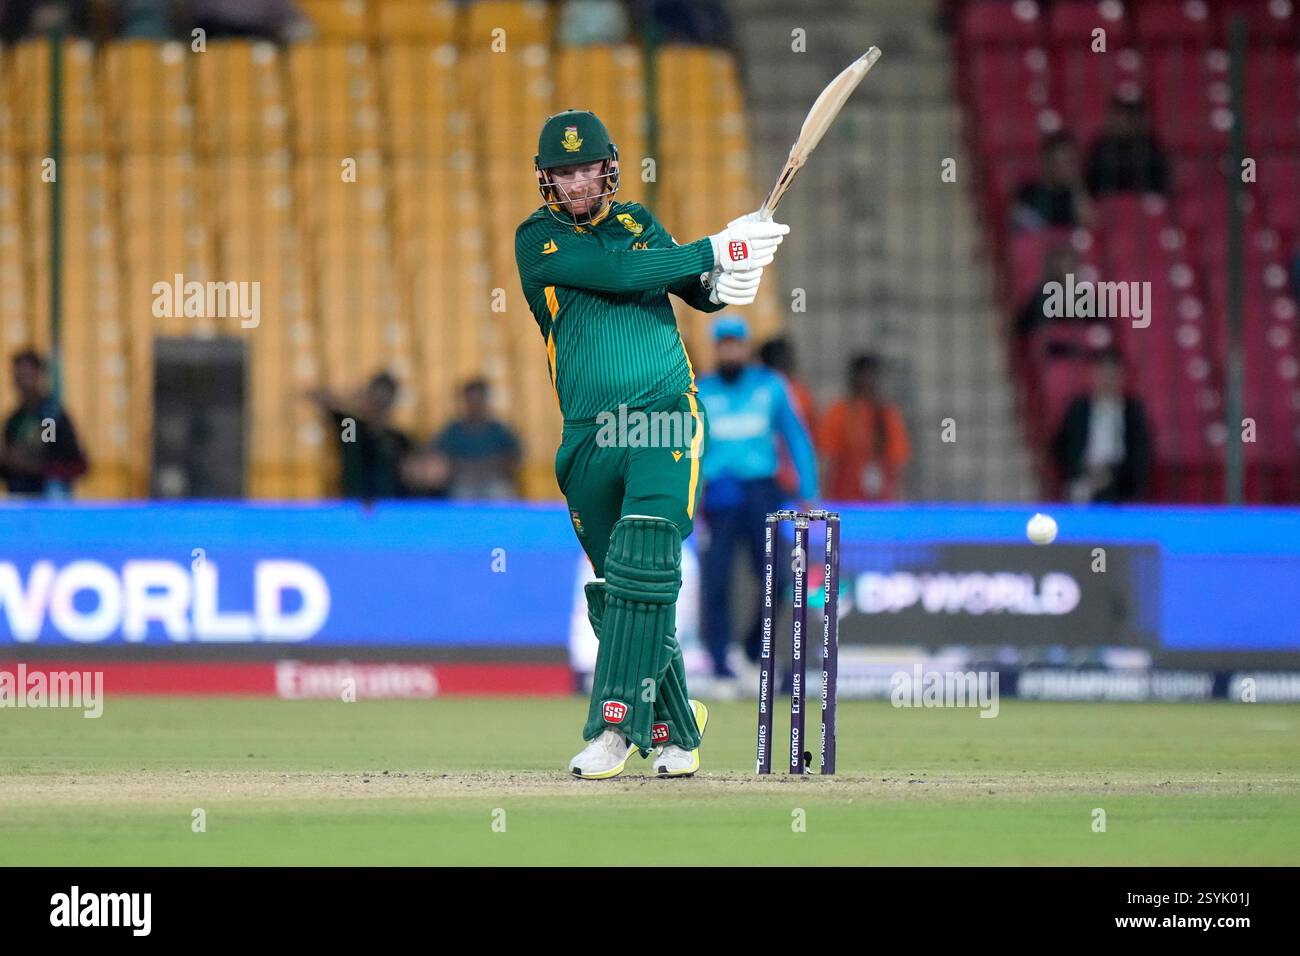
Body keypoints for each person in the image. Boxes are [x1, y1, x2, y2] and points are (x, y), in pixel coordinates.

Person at [514, 108, 790, 779]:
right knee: (618, 591)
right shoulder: (538, 240)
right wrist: (713, 249)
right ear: (547, 178)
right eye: (562, 172)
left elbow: (692, 289)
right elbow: (621, 275)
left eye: (585, 169)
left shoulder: (639, 223)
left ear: (606, 168)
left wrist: (728, 278)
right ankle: (675, 726)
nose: (576, 183)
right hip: (587, 436)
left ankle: (612, 729)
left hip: (663, 415)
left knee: (645, 558)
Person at [696, 317, 817, 681]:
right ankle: (719, 663)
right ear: (716, 348)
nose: (729, 350)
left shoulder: (771, 387)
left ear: (746, 347)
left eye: (735, 344)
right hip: (718, 493)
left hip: (762, 491)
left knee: (777, 577)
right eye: (723, 344)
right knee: (715, 579)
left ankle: (753, 651)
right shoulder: (701, 390)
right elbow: (690, 448)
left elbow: (796, 436)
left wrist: (807, 491)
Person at [1052, 349, 1152, 503]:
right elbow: (1061, 447)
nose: (1107, 380)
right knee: (1079, 494)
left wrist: (1112, 473)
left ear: (1122, 377)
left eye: (1112, 375)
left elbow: (1141, 453)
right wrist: (1083, 470)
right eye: (1103, 374)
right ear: (1094, 376)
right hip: (1083, 479)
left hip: (1121, 483)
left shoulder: (1133, 411)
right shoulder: (1078, 409)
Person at [816, 353, 910, 502]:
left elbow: (897, 461)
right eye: (863, 376)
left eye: (871, 376)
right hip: (844, 498)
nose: (867, 381)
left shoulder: (887, 414)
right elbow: (828, 458)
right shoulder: (839, 412)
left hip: (881, 499)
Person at [308, 372, 412, 502]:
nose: (379, 406)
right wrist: (352, 401)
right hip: (351, 506)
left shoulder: (399, 440)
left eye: (385, 401)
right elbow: (317, 397)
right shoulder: (352, 428)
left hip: (389, 509)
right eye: (376, 399)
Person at [1, 350, 89, 498]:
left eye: (27, 376)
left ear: (39, 376)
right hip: (20, 498)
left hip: (46, 498)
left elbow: (53, 458)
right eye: (19, 376)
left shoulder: (49, 416)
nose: (23, 382)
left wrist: (26, 463)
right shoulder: (14, 420)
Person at [431, 378, 521, 500]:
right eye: (471, 401)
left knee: (501, 495)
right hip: (462, 483)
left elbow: (513, 457)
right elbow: (438, 459)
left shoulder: (499, 430)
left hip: (494, 481)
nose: (475, 406)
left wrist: (488, 467)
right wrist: (463, 468)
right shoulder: (452, 431)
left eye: (479, 401)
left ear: (485, 401)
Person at [758, 335, 815, 497]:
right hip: (770, 478)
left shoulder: (799, 393)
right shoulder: (763, 394)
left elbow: (805, 439)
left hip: (788, 479)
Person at [1086, 96, 1170, 196]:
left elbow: (1162, 191)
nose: (1124, 120)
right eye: (1119, 114)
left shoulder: (1152, 147)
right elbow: (1090, 190)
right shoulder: (1099, 148)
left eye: (1130, 115)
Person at [1012, 132, 1095, 231]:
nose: (1072, 168)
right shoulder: (1027, 194)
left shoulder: (1072, 194)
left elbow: (1090, 225)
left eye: (1073, 162)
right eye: (1065, 162)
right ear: (1048, 164)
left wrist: (1077, 185)